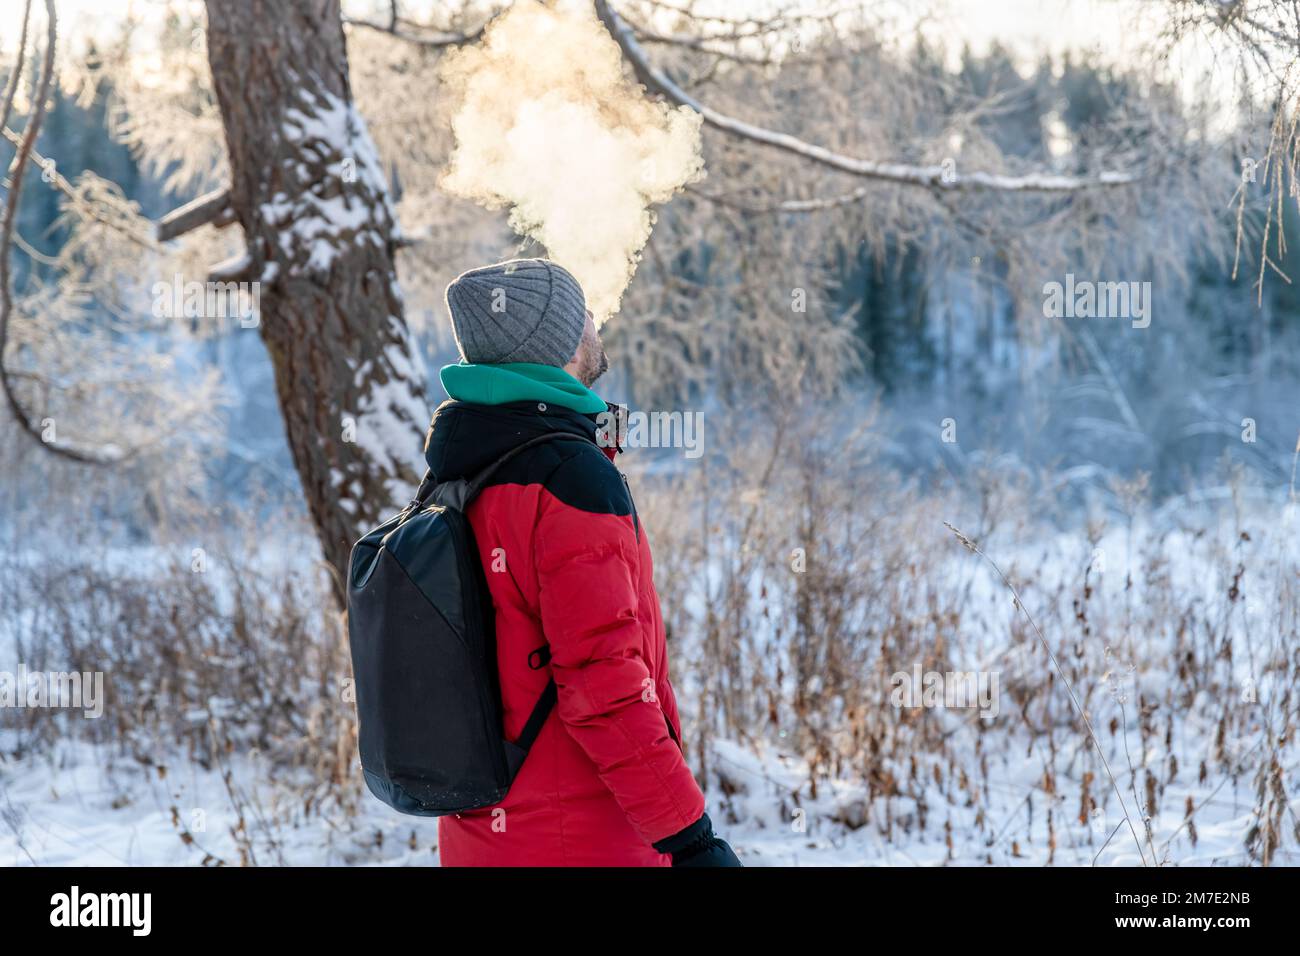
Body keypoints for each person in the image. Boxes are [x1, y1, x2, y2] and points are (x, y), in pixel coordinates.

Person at [426, 257, 740, 867]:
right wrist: (689, 837)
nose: (596, 326)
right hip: (580, 836)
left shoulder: (459, 468)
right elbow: (604, 685)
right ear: (559, 344)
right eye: (584, 316)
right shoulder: (569, 479)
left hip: (479, 836)